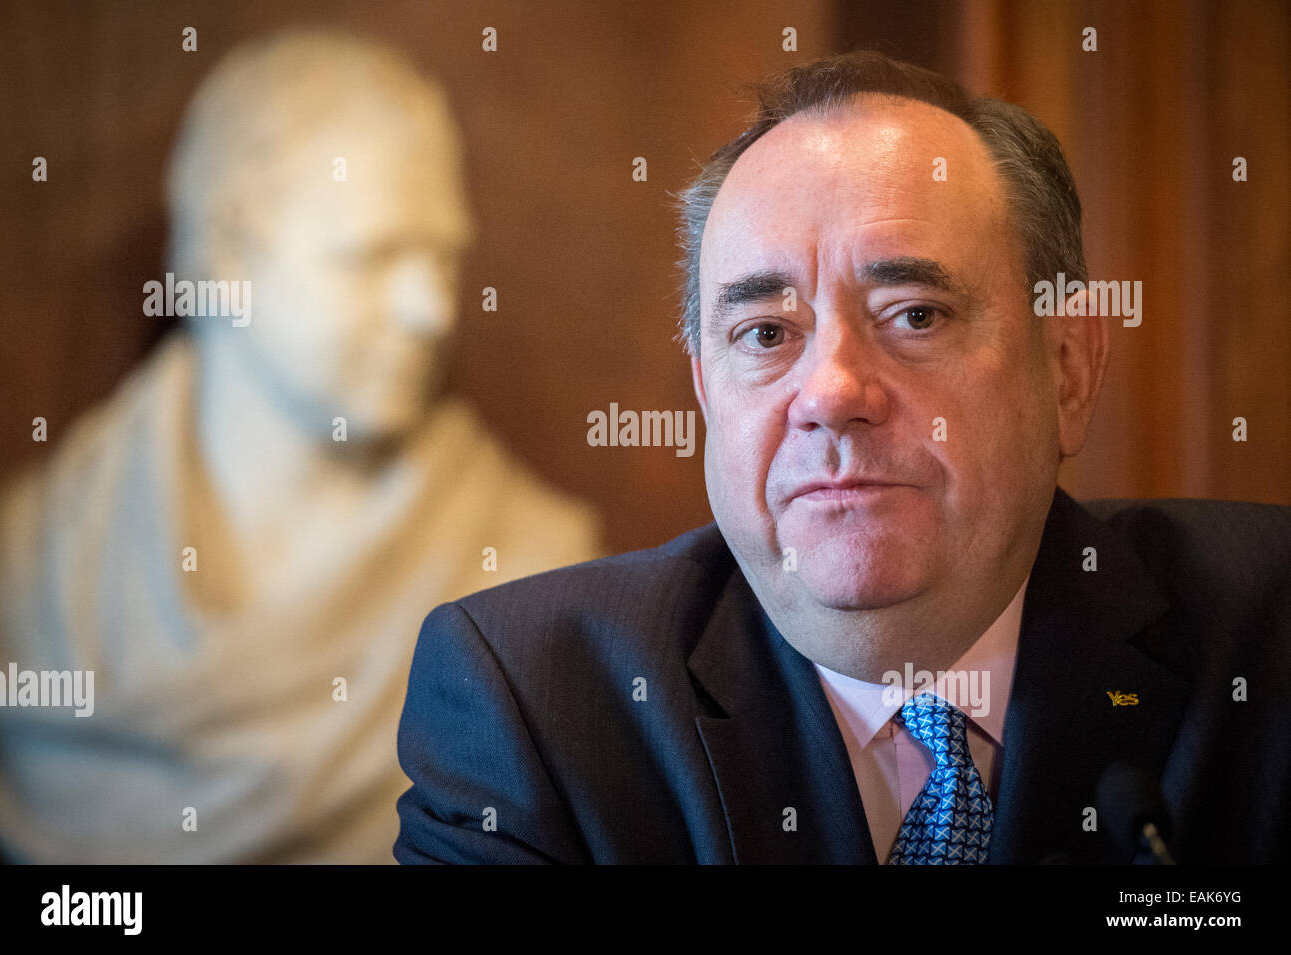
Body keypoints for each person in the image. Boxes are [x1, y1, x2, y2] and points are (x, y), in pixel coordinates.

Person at [394, 50, 1290, 864]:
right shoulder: (535, 709)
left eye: (915, 315)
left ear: (1068, 369)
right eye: (766, 332)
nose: (830, 393)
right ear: (707, 394)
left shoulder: (1271, 642)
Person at [0, 30, 601, 863]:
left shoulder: (528, 573)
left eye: (443, 258)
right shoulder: (28, 570)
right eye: (373, 256)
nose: (432, 310)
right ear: (227, 256)